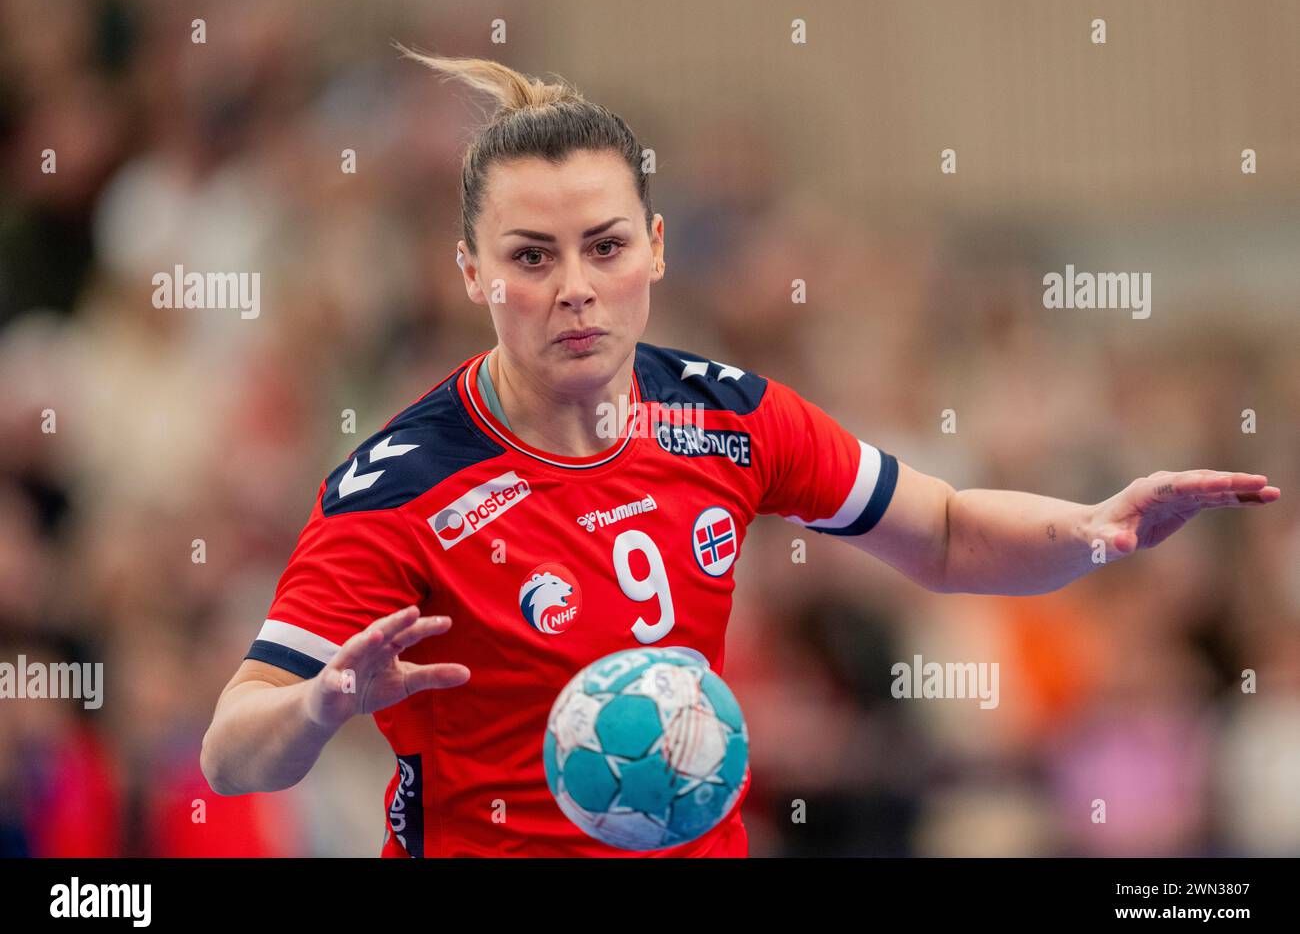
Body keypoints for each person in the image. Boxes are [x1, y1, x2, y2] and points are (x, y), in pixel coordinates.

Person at [199, 48, 1282, 857]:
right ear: (470, 271)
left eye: (605, 246)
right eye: (530, 256)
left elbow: (945, 533)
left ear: (655, 249)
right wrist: (322, 701)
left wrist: (1095, 530)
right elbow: (231, 752)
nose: (573, 285)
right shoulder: (401, 487)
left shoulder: (725, 415)